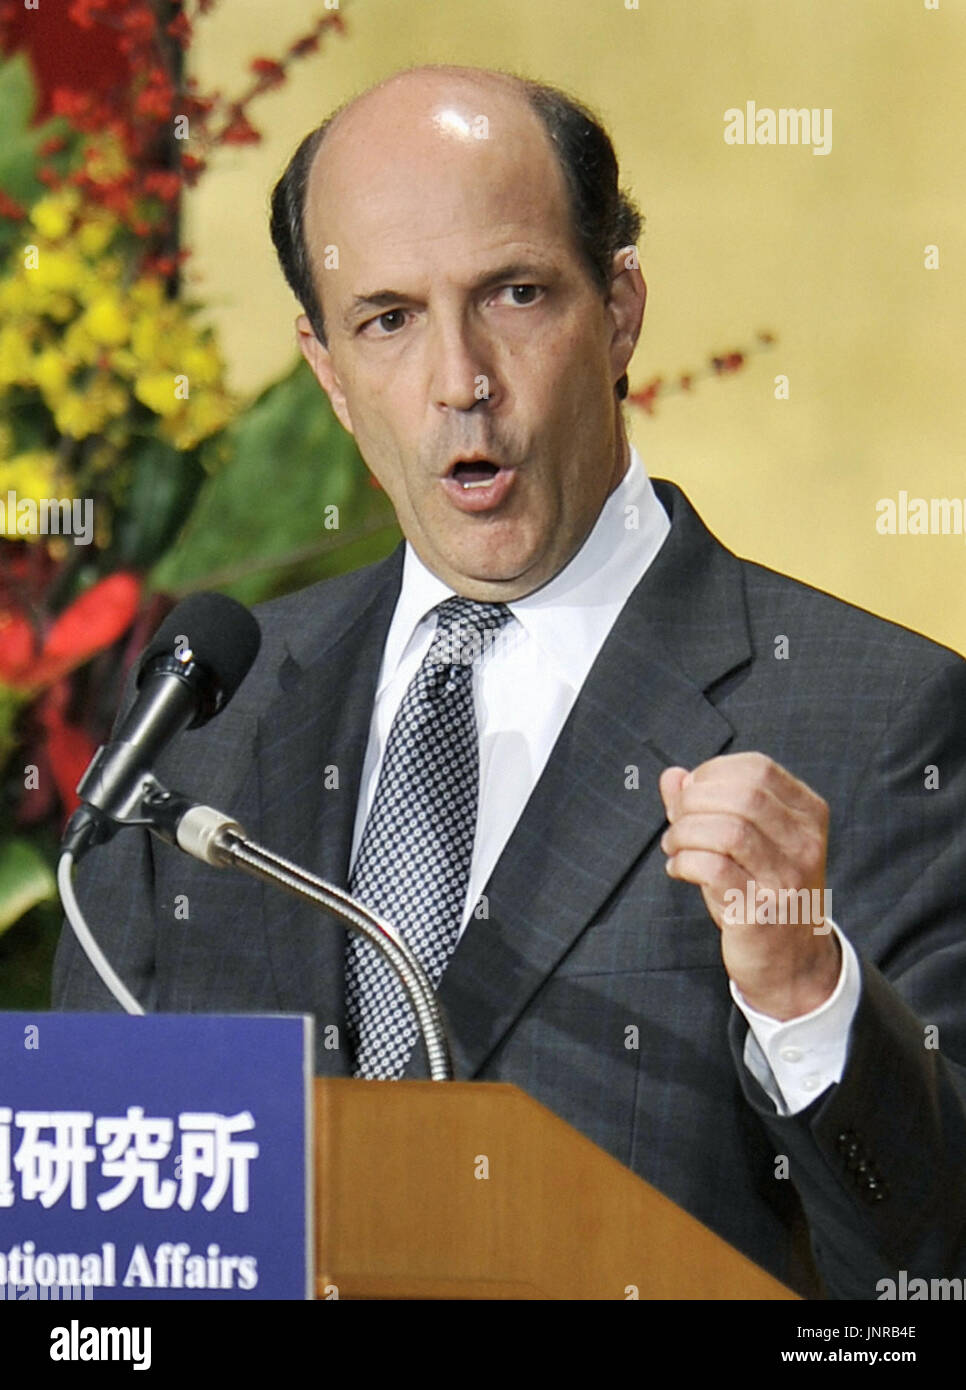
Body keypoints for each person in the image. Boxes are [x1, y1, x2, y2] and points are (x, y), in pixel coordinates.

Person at [54, 66, 966, 1300]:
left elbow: (934, 1277)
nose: (459, 380)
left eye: (516, 294)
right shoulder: (208, 718)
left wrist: (807, 994)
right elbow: (91, 1241)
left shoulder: (875, 716)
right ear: (324, 368)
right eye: (388, 319)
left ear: (623, 308)